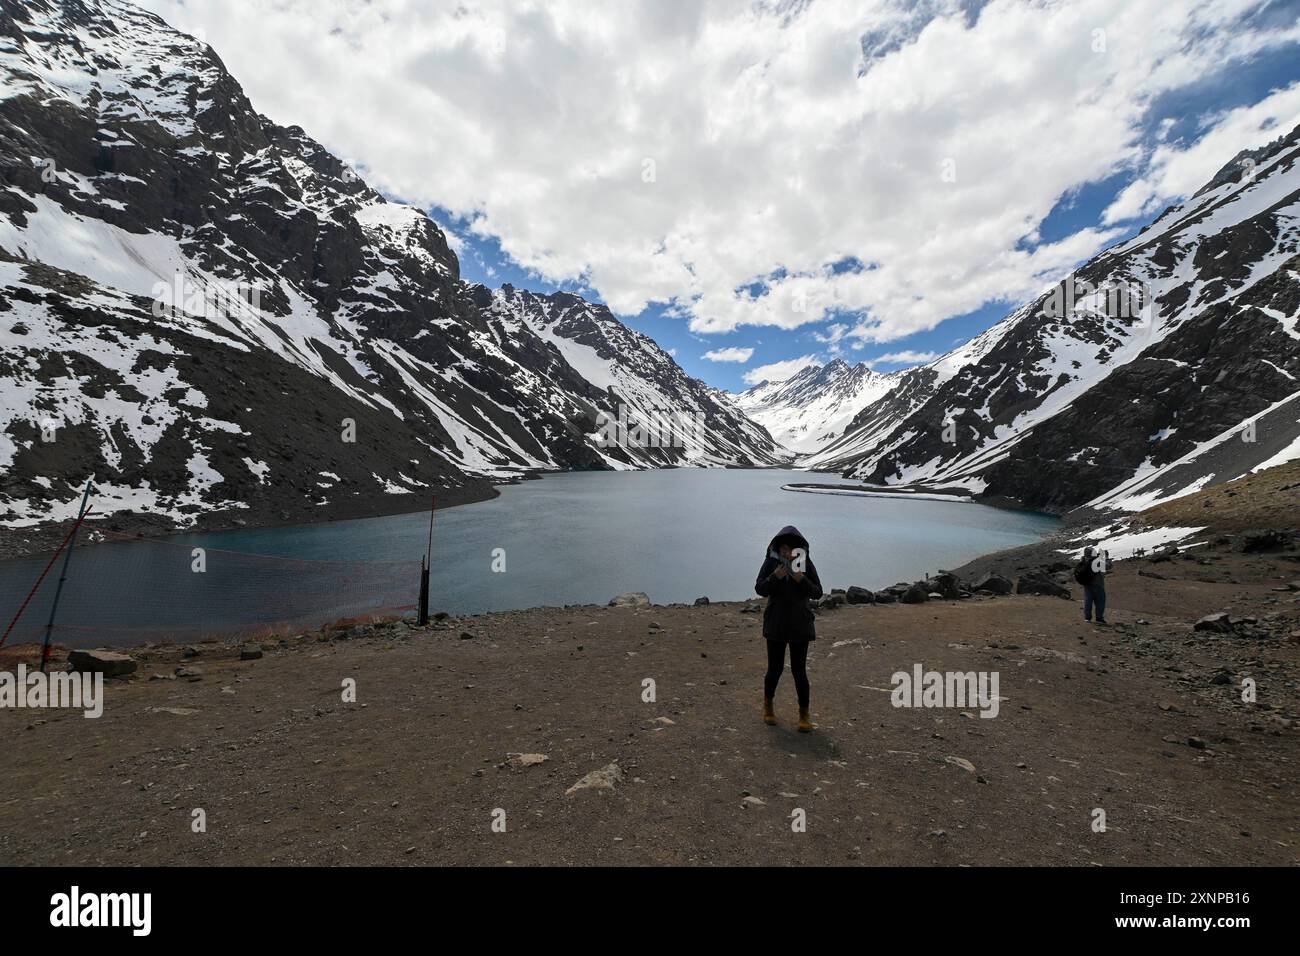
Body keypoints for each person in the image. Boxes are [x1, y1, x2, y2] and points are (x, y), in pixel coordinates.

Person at [754, 525, 823, 732]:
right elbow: (759, 588)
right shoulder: (771, 562)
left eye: (791, 549)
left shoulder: (805, 564)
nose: (786, 553)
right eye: (783, 548)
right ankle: (768, 707)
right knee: (774, 670)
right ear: (777, 548)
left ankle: (804, 715)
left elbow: (817, 592)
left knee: (799, 671)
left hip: (800, 624)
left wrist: (800, 578)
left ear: (798, 550)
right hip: (776, 623)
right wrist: (775, 576)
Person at [1079, 545, 1110, 625]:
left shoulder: (1083, 560)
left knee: (1088, 600)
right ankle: (1099, 618)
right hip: (1097, 584)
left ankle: (1087, 618)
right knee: (1100, 601)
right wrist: (1106, 558)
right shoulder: (1096, 561)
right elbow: (1108, 566)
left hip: (1087, 584)